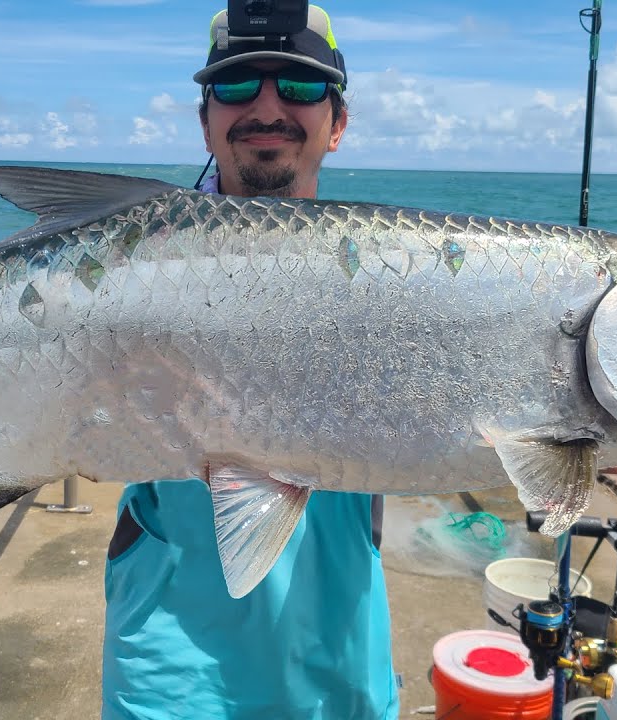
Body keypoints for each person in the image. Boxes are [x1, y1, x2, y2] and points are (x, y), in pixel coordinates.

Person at [101, 6, 399, 720]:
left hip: (342, 656)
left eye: (299, 85)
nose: (268, 107)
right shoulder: (133, 263)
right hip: (172, 663)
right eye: (236, 87)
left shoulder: (391, 265)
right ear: (205, 122)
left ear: (339, 121)